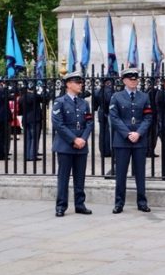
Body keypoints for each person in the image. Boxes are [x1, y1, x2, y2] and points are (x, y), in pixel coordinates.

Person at [109, 68, 154, 214]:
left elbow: (148, 117)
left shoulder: (144, 97)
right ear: (124, 81)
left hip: (139, 140)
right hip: (122, 141)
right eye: (130, 79)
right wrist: (128, 133)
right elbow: (114, 118)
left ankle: (142, 202)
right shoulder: (116, 97)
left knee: (140, 173)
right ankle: (119, 203)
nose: (133, 81)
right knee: (121, 173)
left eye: (135, 79)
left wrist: (139, 133)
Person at [51, 71, 93, 217]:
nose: (80, 85)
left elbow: (89, 122)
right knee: (63, 177)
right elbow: (58, 124)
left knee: (80, 176)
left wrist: (83, 139)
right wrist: (74, 139)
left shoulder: (84, 103)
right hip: (65, 145)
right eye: (77, 82)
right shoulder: (59, 102)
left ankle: (80, 204)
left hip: (81, 145)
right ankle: (61, 205)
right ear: (68, 84)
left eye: (81, 82)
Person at [18, 82, 44, 162]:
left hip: (25, 119)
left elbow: (20, 110)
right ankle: (32, 155)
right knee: (34, 137)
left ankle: (27, 155)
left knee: (27, 138)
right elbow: (44, 99)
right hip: (35, 118)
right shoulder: (35, 96)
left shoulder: (22, 97)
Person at [93, 76, 115, 158]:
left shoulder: (97, 91)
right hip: (110, 113)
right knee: (110, 132)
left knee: (102, 133)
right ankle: (109, 150)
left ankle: (103, 150)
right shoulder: (112, 91)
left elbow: (95, 106)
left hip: (101, 112)